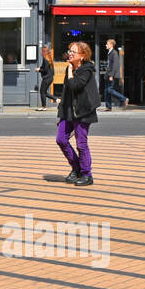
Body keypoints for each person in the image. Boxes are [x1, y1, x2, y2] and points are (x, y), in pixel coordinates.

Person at [56, 42, 98, 187]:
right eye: (70, 51)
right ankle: (77, 168)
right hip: (68, 111)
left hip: (83, 111)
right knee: (61, 139)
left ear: (82, 56)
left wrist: (69, 71)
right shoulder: (72, 68)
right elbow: (66, 92)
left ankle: (87, 174)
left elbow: (74, 85)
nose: (70, 54)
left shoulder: (86, 70)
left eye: (73, 52)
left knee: (81, 144)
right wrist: (61, 112)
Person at [102, 38, 128, 110]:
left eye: (107, 44)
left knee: (110, 90)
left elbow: (115, 65)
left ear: (111, 45)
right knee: (106, 90)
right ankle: (108, 107)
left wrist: (111, 75)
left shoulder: (114, 53)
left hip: (111, 75)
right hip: (108, 75)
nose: (106, 45)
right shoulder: (110, 53)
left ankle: (124, 99)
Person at [36, 45, 55, 109]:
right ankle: (56, 99)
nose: (41, 52)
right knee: (44, 92)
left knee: (42, 92)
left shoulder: (46, 59)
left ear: (44, 52)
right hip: (49, 78)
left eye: (42, 51)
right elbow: (45, 67)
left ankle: (43, 107)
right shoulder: (49, 58)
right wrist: (40, 68)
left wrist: (39, 70)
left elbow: (45, 70)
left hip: (47, 78)